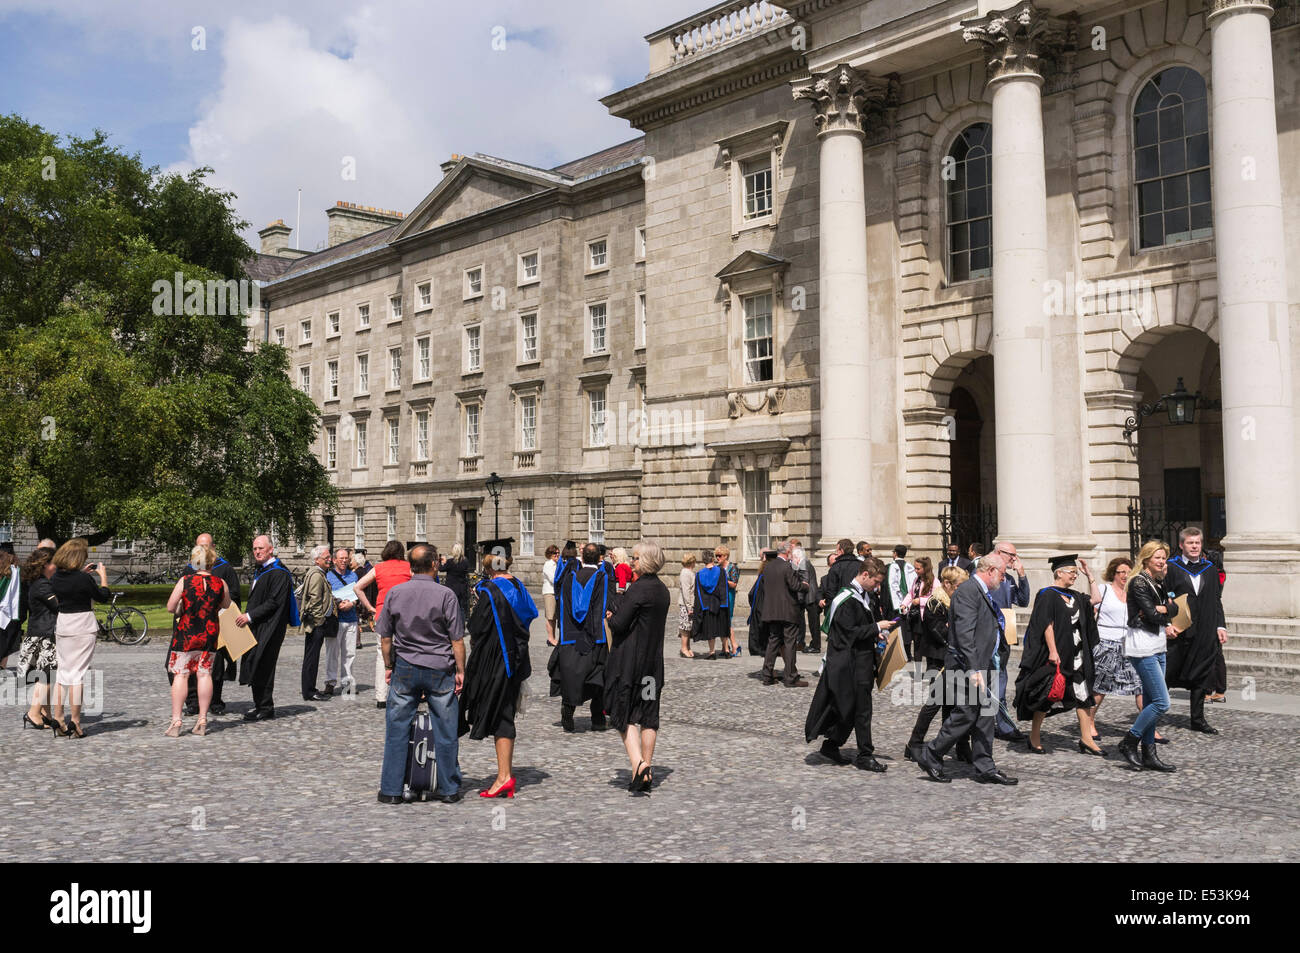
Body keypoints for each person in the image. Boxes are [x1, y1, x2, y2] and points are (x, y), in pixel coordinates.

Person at [912, 553, 1018, 785]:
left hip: (983, 664)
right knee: (966, 714)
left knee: (985, 716)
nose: (1002, 578)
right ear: (990, 570)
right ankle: (931, 754)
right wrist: (973, 668)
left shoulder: (980, 590)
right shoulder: (968, 591)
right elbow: (964, 633)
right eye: (1001, 573)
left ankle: (984, 767)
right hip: (968, 666)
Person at [377, 544, 465, 804]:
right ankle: (449, 788)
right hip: (439, 666)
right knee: (446, 729)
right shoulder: (445, 594)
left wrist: (388, 666)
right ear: (435, 564)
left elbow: (385, 637)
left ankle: (391, 790)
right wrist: (461, 670)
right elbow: (457, 639)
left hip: (405, 665)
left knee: (397, 728)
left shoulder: (395, 593)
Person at [806, 556, 896, 772]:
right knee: (860, 710)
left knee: (851, 709)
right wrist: (876, 628)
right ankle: (865, 754)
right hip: (850, 664)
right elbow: (847, 634)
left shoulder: (861, 596)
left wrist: (876, 635)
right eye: (875, 582)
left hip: (860, 661)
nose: (877, 588)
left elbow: (857, 630)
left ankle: (831, 746)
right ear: (865, 575)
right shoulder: (846, 599)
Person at [461, 550, 537, 799]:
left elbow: (477, 628)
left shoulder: (490, 591)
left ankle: (504, 777)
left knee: (501, 715)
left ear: (490, 568)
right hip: (516, 657)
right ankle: (504, 775)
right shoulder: (518, 586)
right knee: (506, 714)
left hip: (495, 660)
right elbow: (528, 617)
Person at [1014, 555, 1102, 755]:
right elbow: (1046, 624)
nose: (1074, 576)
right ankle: (1034, 736)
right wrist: (1053, 651)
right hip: (1057, 655)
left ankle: (1087, 739)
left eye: (1076, 573)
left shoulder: (1075, 596)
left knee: (1083, 695)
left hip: (1077, 655)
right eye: (1072, 572)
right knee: (1048, 695)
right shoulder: (1047, 594)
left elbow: (1096, 600)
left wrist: (1090, 576)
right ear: (1059, 573)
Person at [605, 541, 671, 793]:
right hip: (653, 665)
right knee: (648, 716)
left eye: (634, 559)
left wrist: (612, 617)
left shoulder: (638, 590)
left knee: (624, 713)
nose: (631, 562)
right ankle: (645, 770)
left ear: (644, 562)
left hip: (630, 663)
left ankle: (639, 763)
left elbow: (620, 624)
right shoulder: (663, 591)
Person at [1118, 540, 1178, 772]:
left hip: (1158, 644)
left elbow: (1172, 609)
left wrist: (1164, 609)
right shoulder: (1138, 582)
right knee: (1163, 702)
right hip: (1142, 647)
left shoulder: (1158, 582)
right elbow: (1153, 614)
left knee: (1152, 702)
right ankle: (1130, 740)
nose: (1162, 561)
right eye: (1158, 557)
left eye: (1164, 558)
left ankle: (1149, 753)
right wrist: (1163, 609)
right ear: (1146, 559)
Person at [163, 544, 232, 736]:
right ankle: (202, 719)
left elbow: (170, 606)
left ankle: (176, 721)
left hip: (187, 632)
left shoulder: (185, 580)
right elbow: (226, 603)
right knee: (204, 674)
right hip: (209, 633)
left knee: (181, 674)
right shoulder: (220, 583)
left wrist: (182, 607)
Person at [1165, 526, 1228, 734]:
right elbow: (1164, 598)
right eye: (1190, 543)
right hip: (1179, 630)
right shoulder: (1171, 568)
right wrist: (1166, 624)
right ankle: (1153, 714)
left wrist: (1220, 625)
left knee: (1202, 674)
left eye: (1198, 543)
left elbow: (1215, 600)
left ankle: (1198, 719)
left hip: (1205, 629)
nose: (1194, 546)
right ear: (1181, 545)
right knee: (1168, 673)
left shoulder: (1209, 568)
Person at [49, 538, 110, 737]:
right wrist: (103, 577)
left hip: (64, 623)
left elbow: (69, 586)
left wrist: (82, 574)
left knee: (63, 673)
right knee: (77, 675)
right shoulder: (83, 579)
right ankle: (75, 721)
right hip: (83, 624)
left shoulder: (56, 577)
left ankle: (58, 717)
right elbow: (102, 596)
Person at [905, 565, 968, 760]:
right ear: (947, 584)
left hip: (954, 660)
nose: (961, 590)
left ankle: (958, 745)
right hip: (938, 661)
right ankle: (914, 743)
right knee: (934, 703)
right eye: (958, 586)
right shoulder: (936, 603)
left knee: (955, 705)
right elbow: (941, 633)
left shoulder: (955, 601)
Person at [549, 542, 613, 732]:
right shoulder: (603, 577)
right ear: (599, 557)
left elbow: (560, 599)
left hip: (571, 636)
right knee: (598, 677)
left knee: (571, 677)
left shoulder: (570, 578)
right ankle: (597, 720)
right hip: (595, 637)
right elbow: (606, 604)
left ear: (582, 558)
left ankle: (568, 712)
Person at [234, 535, 299, 721]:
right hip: (257, 626)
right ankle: (258, 704)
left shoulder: (279, 573)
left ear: (271, 549)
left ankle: (266, 707)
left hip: (271, 627)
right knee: (255, 662)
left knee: (265, 665)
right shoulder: (261, 570)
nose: (257, 552)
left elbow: (274, 602)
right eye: (254, 549)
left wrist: (249, 616)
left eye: (260, 548)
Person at [181, 533, 242, 715]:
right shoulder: (188, 570)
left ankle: (215, 701)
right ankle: (193, 702)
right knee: (190, 665)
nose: (203, 550)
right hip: (191, 626)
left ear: (213, 547)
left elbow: (234, 597)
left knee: (214, 667)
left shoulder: (225, 569)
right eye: (199, 546)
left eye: (206, 546)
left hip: (216, 625)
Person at [354, 541, 413, 708]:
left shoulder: (378, 568)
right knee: (407, 652)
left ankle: (381, 696)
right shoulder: (408, 567)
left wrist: (370, 607)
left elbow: (358, 587)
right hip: (405, 615)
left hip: (383, 613)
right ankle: (405, 691)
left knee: (382, 654)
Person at [987, 540, 1030, 742]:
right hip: (988, 636)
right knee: (995, 682)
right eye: (1011, 555)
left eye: (1015, 555)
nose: (1014, 559)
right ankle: (1000, 726)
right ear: (998, 552)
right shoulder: (986, 576)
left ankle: (998, 724)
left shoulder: (1008, 578)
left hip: (1004, 635)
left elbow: (1023, 601)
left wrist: (1022, 575)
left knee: (999, 680)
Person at [758, 539, 809, 687]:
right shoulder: (787, 567)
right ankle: (790, 677)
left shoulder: (767, 567)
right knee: (789, 644)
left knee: (773, 642)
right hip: (787, 610)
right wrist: (804, 585)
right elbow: (794, 585)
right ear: (787, 552)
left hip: (772, 611)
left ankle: (767, 675)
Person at [19, 546, 58, 730]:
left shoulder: (40, 581)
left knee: (45, 676)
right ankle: (33, 713)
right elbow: (59, 606)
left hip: (40, 633)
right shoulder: (42, 585)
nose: (56, 566)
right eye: (53, 563)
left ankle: (45, 713)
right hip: (44, 635)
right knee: (46, 677)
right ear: (44, 565)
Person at [298, 545, 336, 702]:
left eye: (329, 556)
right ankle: (309, 691)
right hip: (316, 624)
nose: (329, 559)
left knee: (312, 657)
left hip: (317, 622)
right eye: (326, 557)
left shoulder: (320, 573)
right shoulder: (316, 575)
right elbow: (314, 601)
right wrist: (320, 621)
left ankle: (310, 689)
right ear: (317, 560)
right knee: (311, 658)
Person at [324, 548, 359, 695]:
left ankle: (347, 682)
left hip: (351, 618)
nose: (344, 561)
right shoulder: (328, 576)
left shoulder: (354, 575)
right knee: (332, 653)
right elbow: (325, 596)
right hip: (335, 620)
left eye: (346, 558)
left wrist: (353, 603)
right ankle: (330, 682)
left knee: (350, 653)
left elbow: (359, 594)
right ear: (334, 560)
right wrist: (337, 604)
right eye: (341, 558)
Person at [691, 548, 730, 659]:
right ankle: (726, 650)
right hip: (720, 604)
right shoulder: (721, 571)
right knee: (722, 627)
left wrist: (699, 608)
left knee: (710, 629)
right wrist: (725, 604)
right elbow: (724, 588)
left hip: (707, 605)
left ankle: (712, 652)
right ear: (713, 559)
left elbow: (697, 593)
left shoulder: (699, 575)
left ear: (703, 560)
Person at [884, 544, 917, 659]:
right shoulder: (911, 567)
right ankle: (908, 653)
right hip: (908, 603)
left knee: (896, 628)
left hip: (893, 605)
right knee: (907, 628)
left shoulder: (889, 567)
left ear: (895, 554)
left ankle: (897, 654)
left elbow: (886, 588)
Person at [789, 538, 819, 654]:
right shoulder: (798, 561)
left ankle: (815, 645)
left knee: (813, 622)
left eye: (791, 547)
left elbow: (804, 580)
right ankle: (800, 642)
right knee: (800, 620)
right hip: (803, 595)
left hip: (809, 595)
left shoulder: (803, 561)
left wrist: (799, 596)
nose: (790, 550)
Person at [0, 544, 23, 665]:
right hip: (16, 611)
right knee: (9, 640)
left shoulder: (4, 571)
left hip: (4, 610)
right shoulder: (19, 570)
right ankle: (3, 664)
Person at [441, 543, 472, 626]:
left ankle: (451, 626)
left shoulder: (450, 562)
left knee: (450, 607)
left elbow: (441, 569)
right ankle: (461, 628)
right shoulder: (465, 561)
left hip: (451, 587)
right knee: (461, 608)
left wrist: (443, 562)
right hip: (461, 587)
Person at [721, 546, 741, 656]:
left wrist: (723, 579)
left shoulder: (732, 567)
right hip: (719, 596)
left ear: (725, 556)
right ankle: (725, 647)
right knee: (721, 621)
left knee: (727, 621)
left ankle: (734, 645)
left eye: (719, 556)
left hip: (728, 595)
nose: (717, 558)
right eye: (716, 556)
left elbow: (734, 584)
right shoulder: (718, 567)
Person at [676, 553, 696, 658]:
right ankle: (684, 648)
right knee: (685, 627)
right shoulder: (685, 573)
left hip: (689, 604)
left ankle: (687, 647)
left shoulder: (689, 572)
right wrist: (689, 607)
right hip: (686, 604)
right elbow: (686, 591)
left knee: (688, 627)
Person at [542, 544, 560, 645]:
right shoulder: (548, 564)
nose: (557, 555)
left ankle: (553, 638)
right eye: (554, 553)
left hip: (555, 592)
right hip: (549, 592)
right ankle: (550, 638)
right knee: (550, 617)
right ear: (549, 554)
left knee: (554, 617)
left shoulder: (556, 564)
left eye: (558, 553)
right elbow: (553, 579)